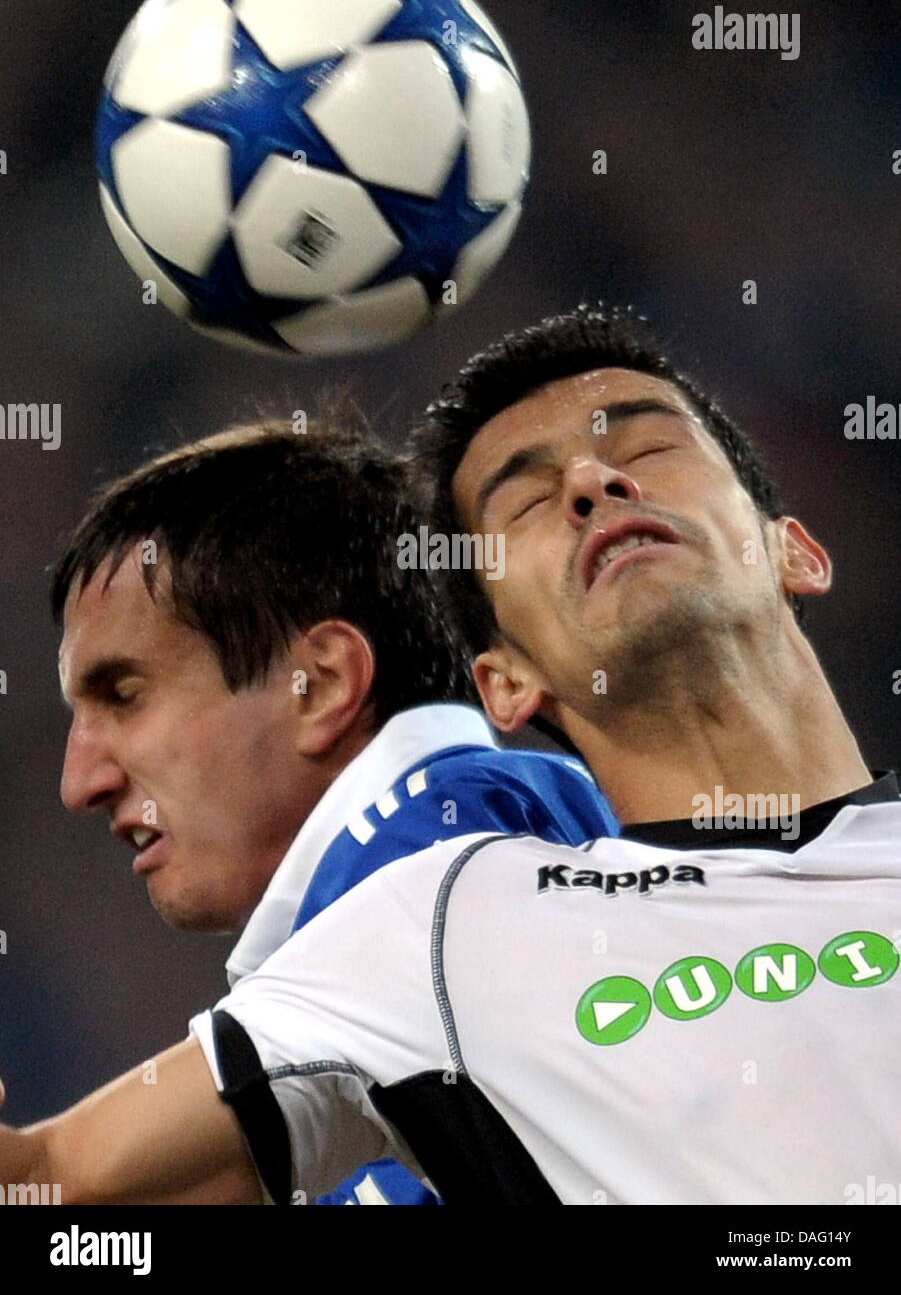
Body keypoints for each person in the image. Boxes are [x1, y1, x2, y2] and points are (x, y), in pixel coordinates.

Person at [4, 303, 898, 1204]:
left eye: (648, 448)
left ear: (795, 550)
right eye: (527, 500)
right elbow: (51, 1180)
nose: (591, 480)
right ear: (504, 682)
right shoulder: (443, 922)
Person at [8, 415, 616, 1206]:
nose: (79, 782)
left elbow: (53, 1183)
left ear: (321, 684)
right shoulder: (505, 835)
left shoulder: (435, 874)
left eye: (124, 695)